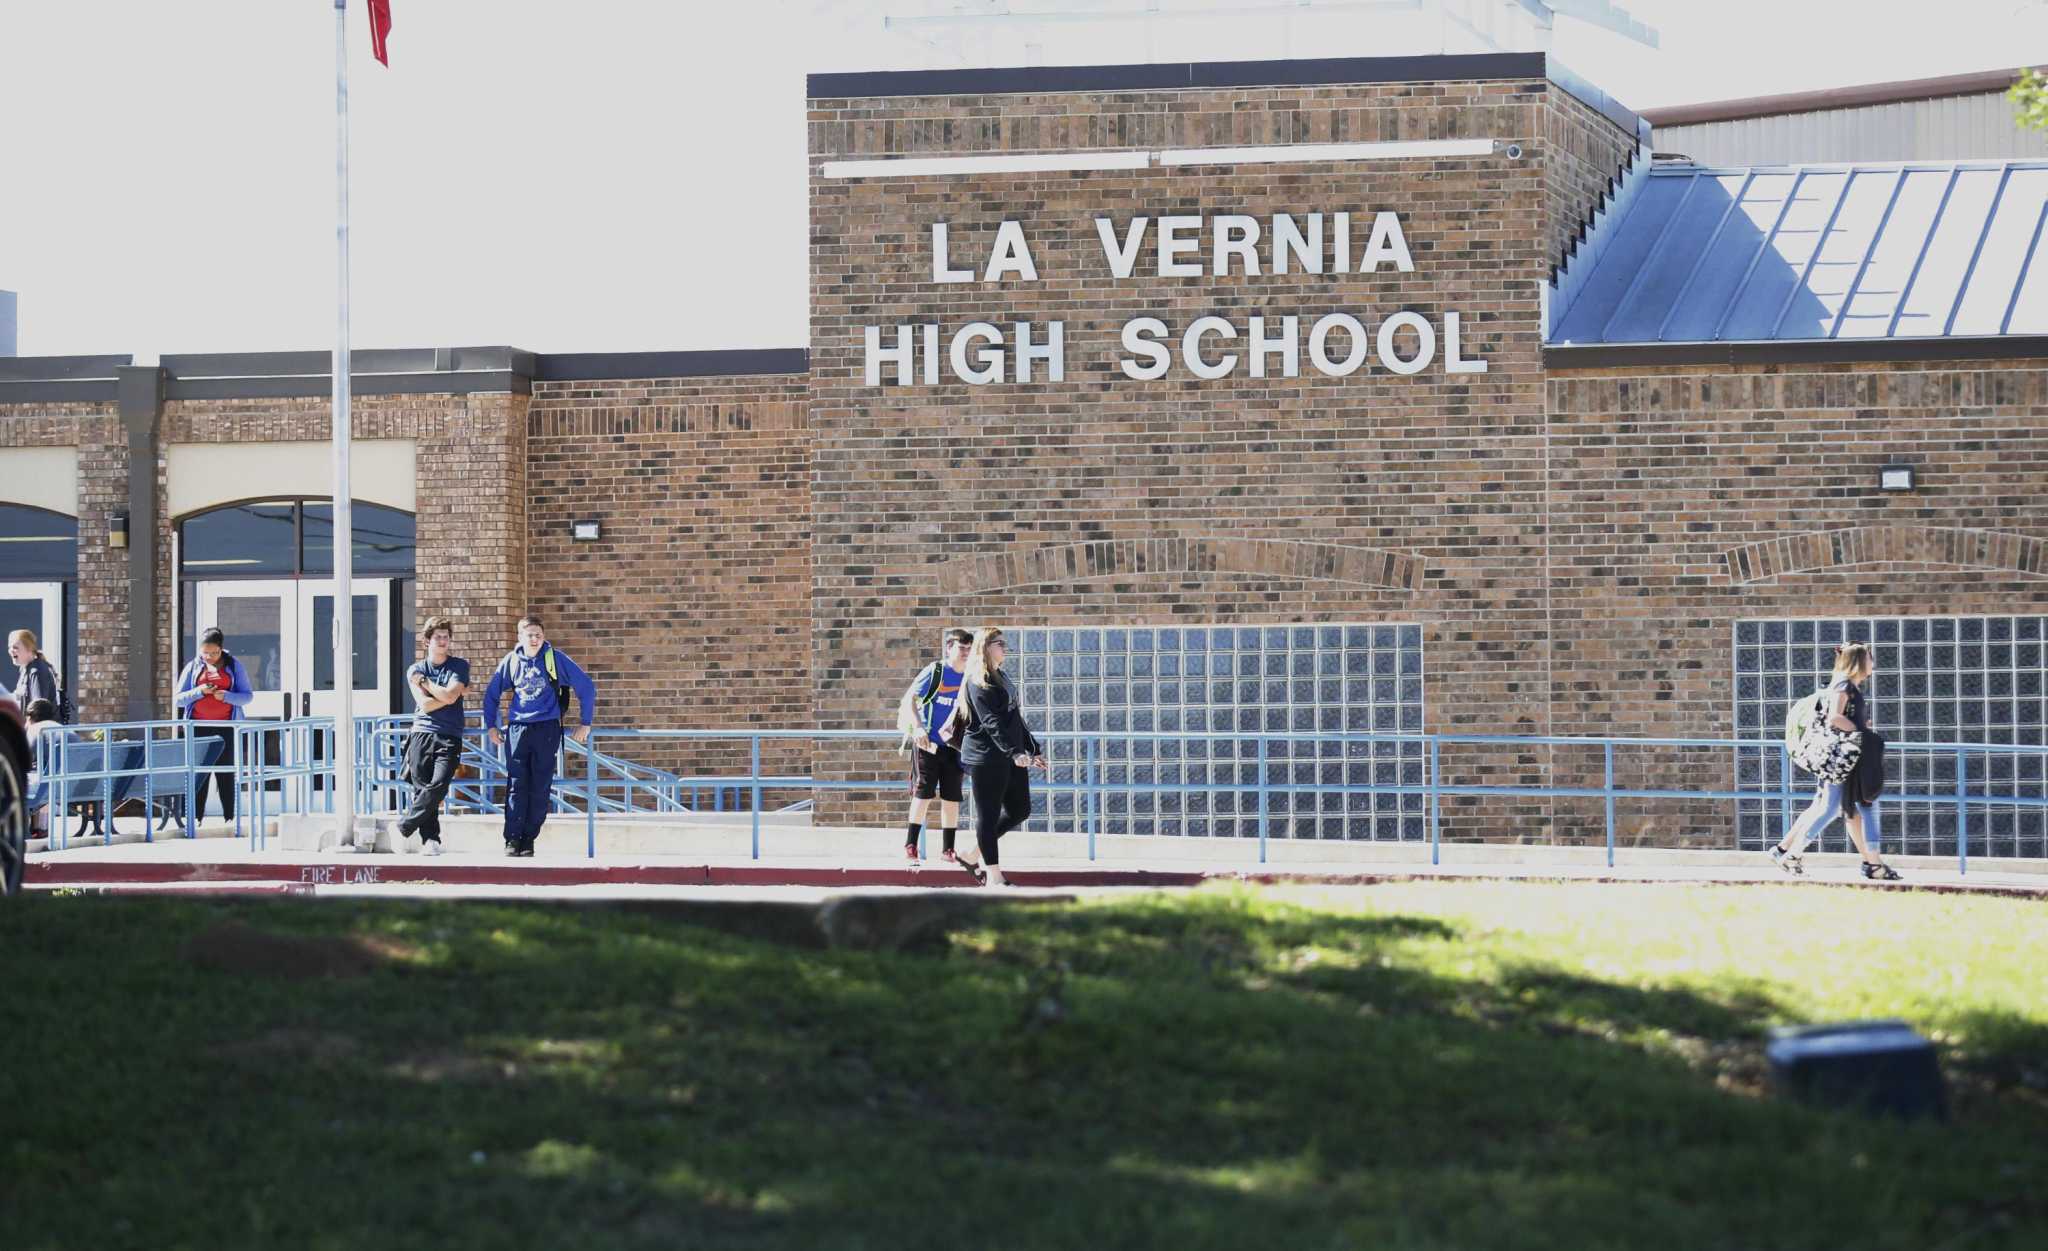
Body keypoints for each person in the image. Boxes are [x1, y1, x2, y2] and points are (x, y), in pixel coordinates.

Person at [1771, 641, 1902, 881]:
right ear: (1860, 661)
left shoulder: (1852, 686)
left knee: (1843, 808)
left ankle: (1871, 864)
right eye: (1870, 659)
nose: (1873, 663)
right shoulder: (1843, 685)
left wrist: (1862, 728)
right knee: (1830, 809)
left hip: (1851, 758)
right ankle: (1792, 855)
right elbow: (1834, 718)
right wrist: (1859, 732)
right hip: (1842, 759)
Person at [482, 614, 596, 857]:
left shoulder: (554, 658)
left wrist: (585, 723)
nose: (534, 639)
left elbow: (586, 686)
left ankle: (529, 839)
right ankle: (512, 839)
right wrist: (491, 725)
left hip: (547, 728)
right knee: (516, 785)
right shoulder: (511, 661)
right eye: (529, 635)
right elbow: (491, 694)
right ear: (520, 637)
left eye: (538, 635)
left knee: (540, 786)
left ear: (543, 637)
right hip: (517, 729)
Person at [950, 626, 1046, 888]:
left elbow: (1014, 718)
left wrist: (1032, 748)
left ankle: (971, 854)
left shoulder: (1002, 676)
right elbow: (991, 722)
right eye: (1000, 643)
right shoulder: (977, 681)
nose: (1005, 648)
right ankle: (994, 876)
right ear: (986, 647)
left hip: (1009, 755)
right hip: (986, 757)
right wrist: (1014, 752)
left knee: (1020, 810)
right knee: (989, 815)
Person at [896, 627, 974, 864]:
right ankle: (910, 846)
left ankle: (948, 850)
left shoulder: (970, 676)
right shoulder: (936, 671)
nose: (966, 653)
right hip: (928, 744)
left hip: (955, 746)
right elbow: (911, 699)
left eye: (969, 649)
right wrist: (918, 728)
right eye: (962, 648)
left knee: (952, 798)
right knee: (923, 794)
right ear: (949, 647)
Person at [392, 616, 468, 856]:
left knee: (439, 784)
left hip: (449, 734)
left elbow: (450, 697)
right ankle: (430, 840)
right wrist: (446, 694)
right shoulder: (415, 669)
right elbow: (424, 705)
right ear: (427, 641)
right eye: (438, 637)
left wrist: (428, 684)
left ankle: (403, 827)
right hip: (421, 734)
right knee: (422, 788)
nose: (443, 641)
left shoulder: (458, 666)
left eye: (446, 637)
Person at [172, 627, 253, 824]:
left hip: (226, 727)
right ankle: (194, 818)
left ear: (221, 649)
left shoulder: (234, 666)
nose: (209, 657)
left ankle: (229, 818)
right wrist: (199, 691)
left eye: (214, 653)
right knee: (199, 773)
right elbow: (178, 700)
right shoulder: (193, 667)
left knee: (226, 773)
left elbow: (247, 696)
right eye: (205, 653)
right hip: (198, 727)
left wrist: (226, 696)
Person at [8, 629, 66, 722]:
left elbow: (39, 710)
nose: (11, 651)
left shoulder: (37, 671)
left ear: (29, 649)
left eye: (15, 647)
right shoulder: (25, 670)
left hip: (42, 732)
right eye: (9, 647)